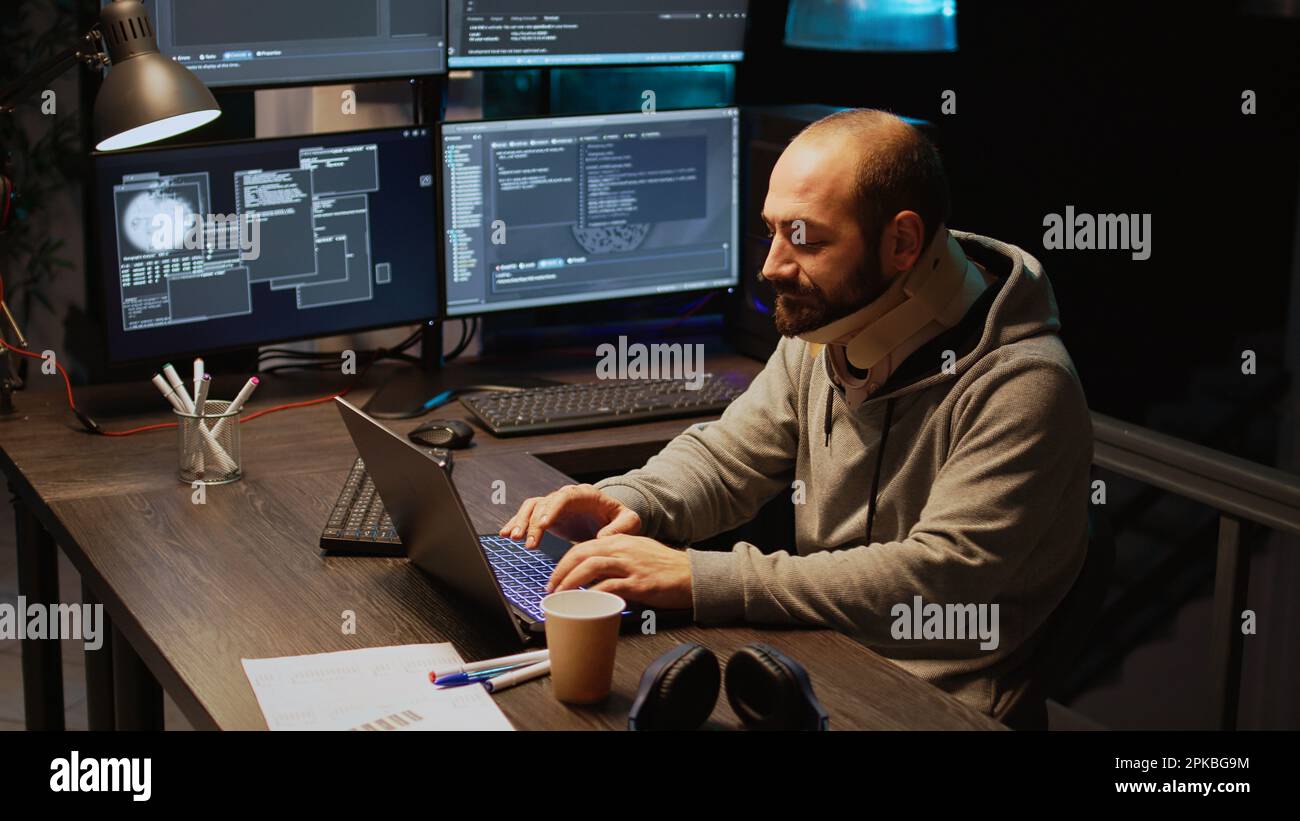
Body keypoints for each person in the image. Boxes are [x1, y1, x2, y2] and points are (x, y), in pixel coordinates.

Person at [499, 109, 1092, 716]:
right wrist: (632, 500)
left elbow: (936, 579)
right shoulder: (829, 333)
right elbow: (728, 458)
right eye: (772, 231)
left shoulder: (1023, 383)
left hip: (936, 703)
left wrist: (700, 577)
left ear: (903, 243)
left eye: (805, 237)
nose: (773, 266)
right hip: (818, 663)